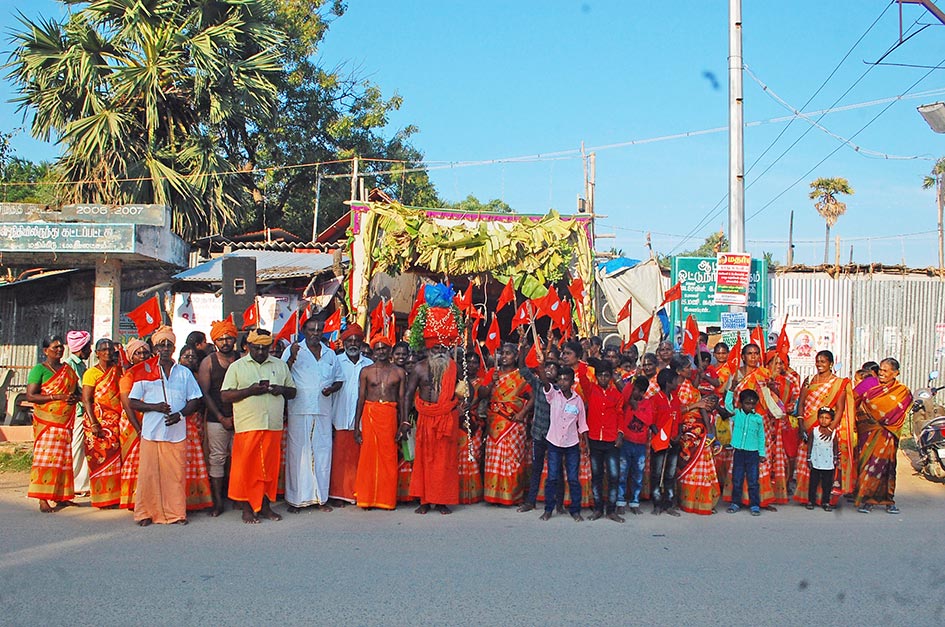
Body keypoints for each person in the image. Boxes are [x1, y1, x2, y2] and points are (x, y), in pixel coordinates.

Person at [128, 326, 203, 526]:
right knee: (148, 475)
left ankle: (176, 513)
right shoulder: (145, 371)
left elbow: (195, 400)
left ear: (173, 347)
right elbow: (133, 401)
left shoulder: (184, 373)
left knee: (175, 475)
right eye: (161, 344)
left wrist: (179, 414)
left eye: (169, 344)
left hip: (176, 430)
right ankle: (145, 513)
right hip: (152, 431)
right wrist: (155, 407)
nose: (165, 348)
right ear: (155, 348)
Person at [222, 330, 296, 524]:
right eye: (257, 348)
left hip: (272, 425)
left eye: (265, 348)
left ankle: (264, 506)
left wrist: (280, 390)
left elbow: (292, 391)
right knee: (246, 469)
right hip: (248, 425)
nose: (261, 352)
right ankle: (247, 508)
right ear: (248, 346)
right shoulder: (237, 367)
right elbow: (225, 395)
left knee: (268, 469)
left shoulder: (279, 365)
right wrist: (249, 391)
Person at [281, 316, 342, 512]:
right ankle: (296, 500)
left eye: (319, 329)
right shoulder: (294, 350)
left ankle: (320, 499)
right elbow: (282, 374)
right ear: (304, 331)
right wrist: (291, 356)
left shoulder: (330, 354)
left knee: (323, 453)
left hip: (323, 412)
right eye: (311, 329)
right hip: (299, 410)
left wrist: (331, 389)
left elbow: (339, 380)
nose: (315, 333)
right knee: (298, 455)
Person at [405, 343, 461, 514]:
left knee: (444, 462)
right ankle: (424, 501)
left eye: (443, 349)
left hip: (447, 418)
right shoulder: (419, 368)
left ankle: (442, 501)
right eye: (436, 349)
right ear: (429, 350)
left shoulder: (455, 367)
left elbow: (465, 390)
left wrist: (463, 400)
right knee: (424, 460)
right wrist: (405, 421)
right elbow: (408, 394)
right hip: (426, 418)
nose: (439, 353)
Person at [793, 350, 854, 506]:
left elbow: (839, 408)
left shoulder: (837, 384)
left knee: (826, 464)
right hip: (809, 427)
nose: (820, 364)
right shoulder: (809, 381)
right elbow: (801, 403)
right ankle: (808, 497)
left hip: (826, 429)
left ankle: (825, 498)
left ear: (831, 364)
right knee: (807, 462)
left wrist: (830, 429)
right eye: (818, 361)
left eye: (823, 361)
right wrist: (801, 424)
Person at [26, 335, 79, 513]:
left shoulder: (68, 370)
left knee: (64, 460)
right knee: (45, 459)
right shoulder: (39, 369)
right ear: (45, 351)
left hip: (65, 422)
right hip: (47, 422)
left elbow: (77, 393)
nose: (59, 350)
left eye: (60, 347)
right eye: (54, 347)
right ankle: (42, 498)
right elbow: (31, 396)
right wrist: (57, 397)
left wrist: (73, 398)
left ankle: (61, 497)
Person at [854, 357, 912, 514]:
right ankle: (867, 500)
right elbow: (852, 400)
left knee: (887, 468)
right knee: (868, 466)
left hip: (888, 435)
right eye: (880, 369)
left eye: (886, 371)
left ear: (896, 373)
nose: (881, 373)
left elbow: (898, 413)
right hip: (868, 433)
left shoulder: (902, 392)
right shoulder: (869, 385)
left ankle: (888, 500)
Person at [354, 336, 405, 510]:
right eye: (378, 349)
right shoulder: (366, 371)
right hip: (370, 414)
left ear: (390, 351)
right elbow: (360, 399)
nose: (381, 351)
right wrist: (356, 427)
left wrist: (404, 423)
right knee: (368, 457)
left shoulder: (399, 372)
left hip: (389, 415)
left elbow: (402, 399)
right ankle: (367, 498)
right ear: (373, 351)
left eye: (384, 348)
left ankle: (386, 499)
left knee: (388, 457)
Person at [534, 355, 587, 522]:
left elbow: (583, 424)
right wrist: (541, 366)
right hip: (554, 442)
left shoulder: (578, 401)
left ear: (572, 382)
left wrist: (585, 444)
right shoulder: (553, 395)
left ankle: (575, 510)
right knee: (552, 477)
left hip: (572, 444)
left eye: (567, 379)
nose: (563, 382)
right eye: (561, 379)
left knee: (573, 478)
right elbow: (544, 381)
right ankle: (549, 509)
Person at [726, 343, 778, 508]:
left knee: (761, 464)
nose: (753, 357)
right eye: (750, 353)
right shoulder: (735, 375)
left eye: (756, 353)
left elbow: (775, 400)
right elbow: (728, 400)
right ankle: (738, 500)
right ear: (743, 357)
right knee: (739, 469)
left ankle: (761, 500)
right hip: (741, 423)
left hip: (761, 422)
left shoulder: (765, 374)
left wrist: (773, 388)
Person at [197, 317, 240, 517]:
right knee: (217, 459)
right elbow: (205, 393)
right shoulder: (208, 362)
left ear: (234, 340)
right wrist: (222, 418)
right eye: (221, 339)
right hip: (216, 419)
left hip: (242, 418)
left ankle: (239, 497)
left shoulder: (243, 359)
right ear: (215, 342)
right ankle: (218, 502)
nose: (225, 342)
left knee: (239, 459)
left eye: (228, 338)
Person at [482, 343, 531, 505]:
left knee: (513, 459)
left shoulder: (522, 375)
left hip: (514, 423)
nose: (504, 356)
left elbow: (534, 397)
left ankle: (513, 496)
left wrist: (522, 413)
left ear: (516, 356)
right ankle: (493, 495)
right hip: (494, 423)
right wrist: (491, 383)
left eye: (508, 353)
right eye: (502, 353)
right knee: (494, 458)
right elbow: (481, 393)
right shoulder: (492, 373)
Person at [330, 323, 372, 506]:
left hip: (362, 419)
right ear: (344, 342)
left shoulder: (369, 364)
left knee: (359, 458)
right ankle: (339, 495)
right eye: (349, 340)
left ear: (362, 343)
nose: (353, 343)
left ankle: (358, 493)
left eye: (356, 340)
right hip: (338, 415)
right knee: (340, 458)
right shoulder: (335, 361)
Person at [673, 355, 719, 516]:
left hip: (699, 431)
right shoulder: (672, 388)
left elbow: (702, 408)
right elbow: (674, 412)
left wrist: (709, 430)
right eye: (686, 367)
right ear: (678, 371)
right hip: (683, 432)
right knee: (683, 467)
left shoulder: (690, 387)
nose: (690, 370)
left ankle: (703, 501)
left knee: (704, 465)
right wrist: (695, 405)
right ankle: (684, 500)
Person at [81, 338, 123, 508]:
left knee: (115, 460)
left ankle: (114, 497)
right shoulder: (91, 373)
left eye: (110, 349)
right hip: (97, 421)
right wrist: (94, 423)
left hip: (115, 421)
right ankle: (101, 499)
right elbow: (86, 399)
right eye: (103, 349)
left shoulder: (118, 370)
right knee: (99, 459)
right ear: (97, 353)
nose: (107, 352)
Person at [516, 353, 558, 513]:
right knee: (536, 469)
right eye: (547, 367)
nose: (549, 370)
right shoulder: (537, 384)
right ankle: (530, 501)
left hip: (554, 436)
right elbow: (523, 370)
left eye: (553, 368)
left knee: (555, 471)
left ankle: (557, 502)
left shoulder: (559, 389)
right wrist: (523, 349)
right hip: (538, 433)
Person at [584, 362, 625, 522]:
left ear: (610, 377)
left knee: (614, 476)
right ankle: (598, 508)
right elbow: (581, 375)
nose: (603, 378)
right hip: (595, 439)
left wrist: (620, 434)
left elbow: (621, 414)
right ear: (596, 376)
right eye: (600, 375)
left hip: (611, 440)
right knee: (597, 476)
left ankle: (611, 510)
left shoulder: (617, 394)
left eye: (606, 375)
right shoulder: (590, 390)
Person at [178, 345, 213, 512]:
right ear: (179, 359)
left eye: (193, 357)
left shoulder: (199, 376)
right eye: (186, 356)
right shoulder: (174, 375)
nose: (190, 359)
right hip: (179, 421)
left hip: (196, 421)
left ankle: (196, 498)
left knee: (197, 461)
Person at [117, 339, 150, 510]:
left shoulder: (152, 372)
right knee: (133, 461)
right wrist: (138, 429)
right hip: (132, 424)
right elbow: (127, 404)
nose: (143, 356)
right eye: (139, 353)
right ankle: (132, 499)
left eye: (145, 352)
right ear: (131, 356)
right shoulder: (128, 376)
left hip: (150, 421)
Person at [724, 388, 766, 516]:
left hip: (753, 453)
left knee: (753, 480)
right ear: (741, 403)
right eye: (748, 403)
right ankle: (735, 503)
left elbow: (761, 437)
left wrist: (762, 453)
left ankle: (754, 505)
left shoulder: (758, 418)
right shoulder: (736, 414)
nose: (750, 406)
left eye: (753, 403)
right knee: (737, 479)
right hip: (739, 452)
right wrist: (731, 390)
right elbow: (727, 405)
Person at [650, 368, 682, 516]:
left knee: (670, 474)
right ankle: (657, 503)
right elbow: (652, 423)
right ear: (669, 383)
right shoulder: (655, 399)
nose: (678, 383)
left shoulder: (676, 399)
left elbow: (679, 421)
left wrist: (678, 435)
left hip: (674, 442)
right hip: (660, 443)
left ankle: (668, 503)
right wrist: (662, 437)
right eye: (675, 380)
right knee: (657, 474)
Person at [618, 375, 652, 515]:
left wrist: (636, 408)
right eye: (633, 389)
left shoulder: (647, 404)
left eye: (637, 390)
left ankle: (634, 502)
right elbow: (625, 394)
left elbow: (649, 420)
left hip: (640, 444)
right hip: (626, 442)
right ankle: (620, 502)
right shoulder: (627, 401)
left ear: (643, 392)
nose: (634, 393)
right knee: (622, 473)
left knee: (638, 475)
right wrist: (632, 383)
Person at [64, 330, 92, 495]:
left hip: (83, 409)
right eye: (88, 347)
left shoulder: (81, 364)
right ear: (81, 348)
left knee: (82, 447)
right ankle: (74, 483)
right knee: (76, 447)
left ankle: (81, 484)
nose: (90, 351)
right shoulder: (71, 365)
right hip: (78, 410)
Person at [806, 407, 838, 511]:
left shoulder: (833, 432)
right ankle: (811, 501)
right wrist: (808, 458)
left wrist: (835, 458)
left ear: (831, 420)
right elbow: (810, 444)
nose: (824, 420)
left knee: (827, 484)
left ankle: (826, 502)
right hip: (816, 461)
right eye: (821, 417)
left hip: (828, 463)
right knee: (813, 483)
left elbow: (835, 446)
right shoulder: (814, 431)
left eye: (827, 418)